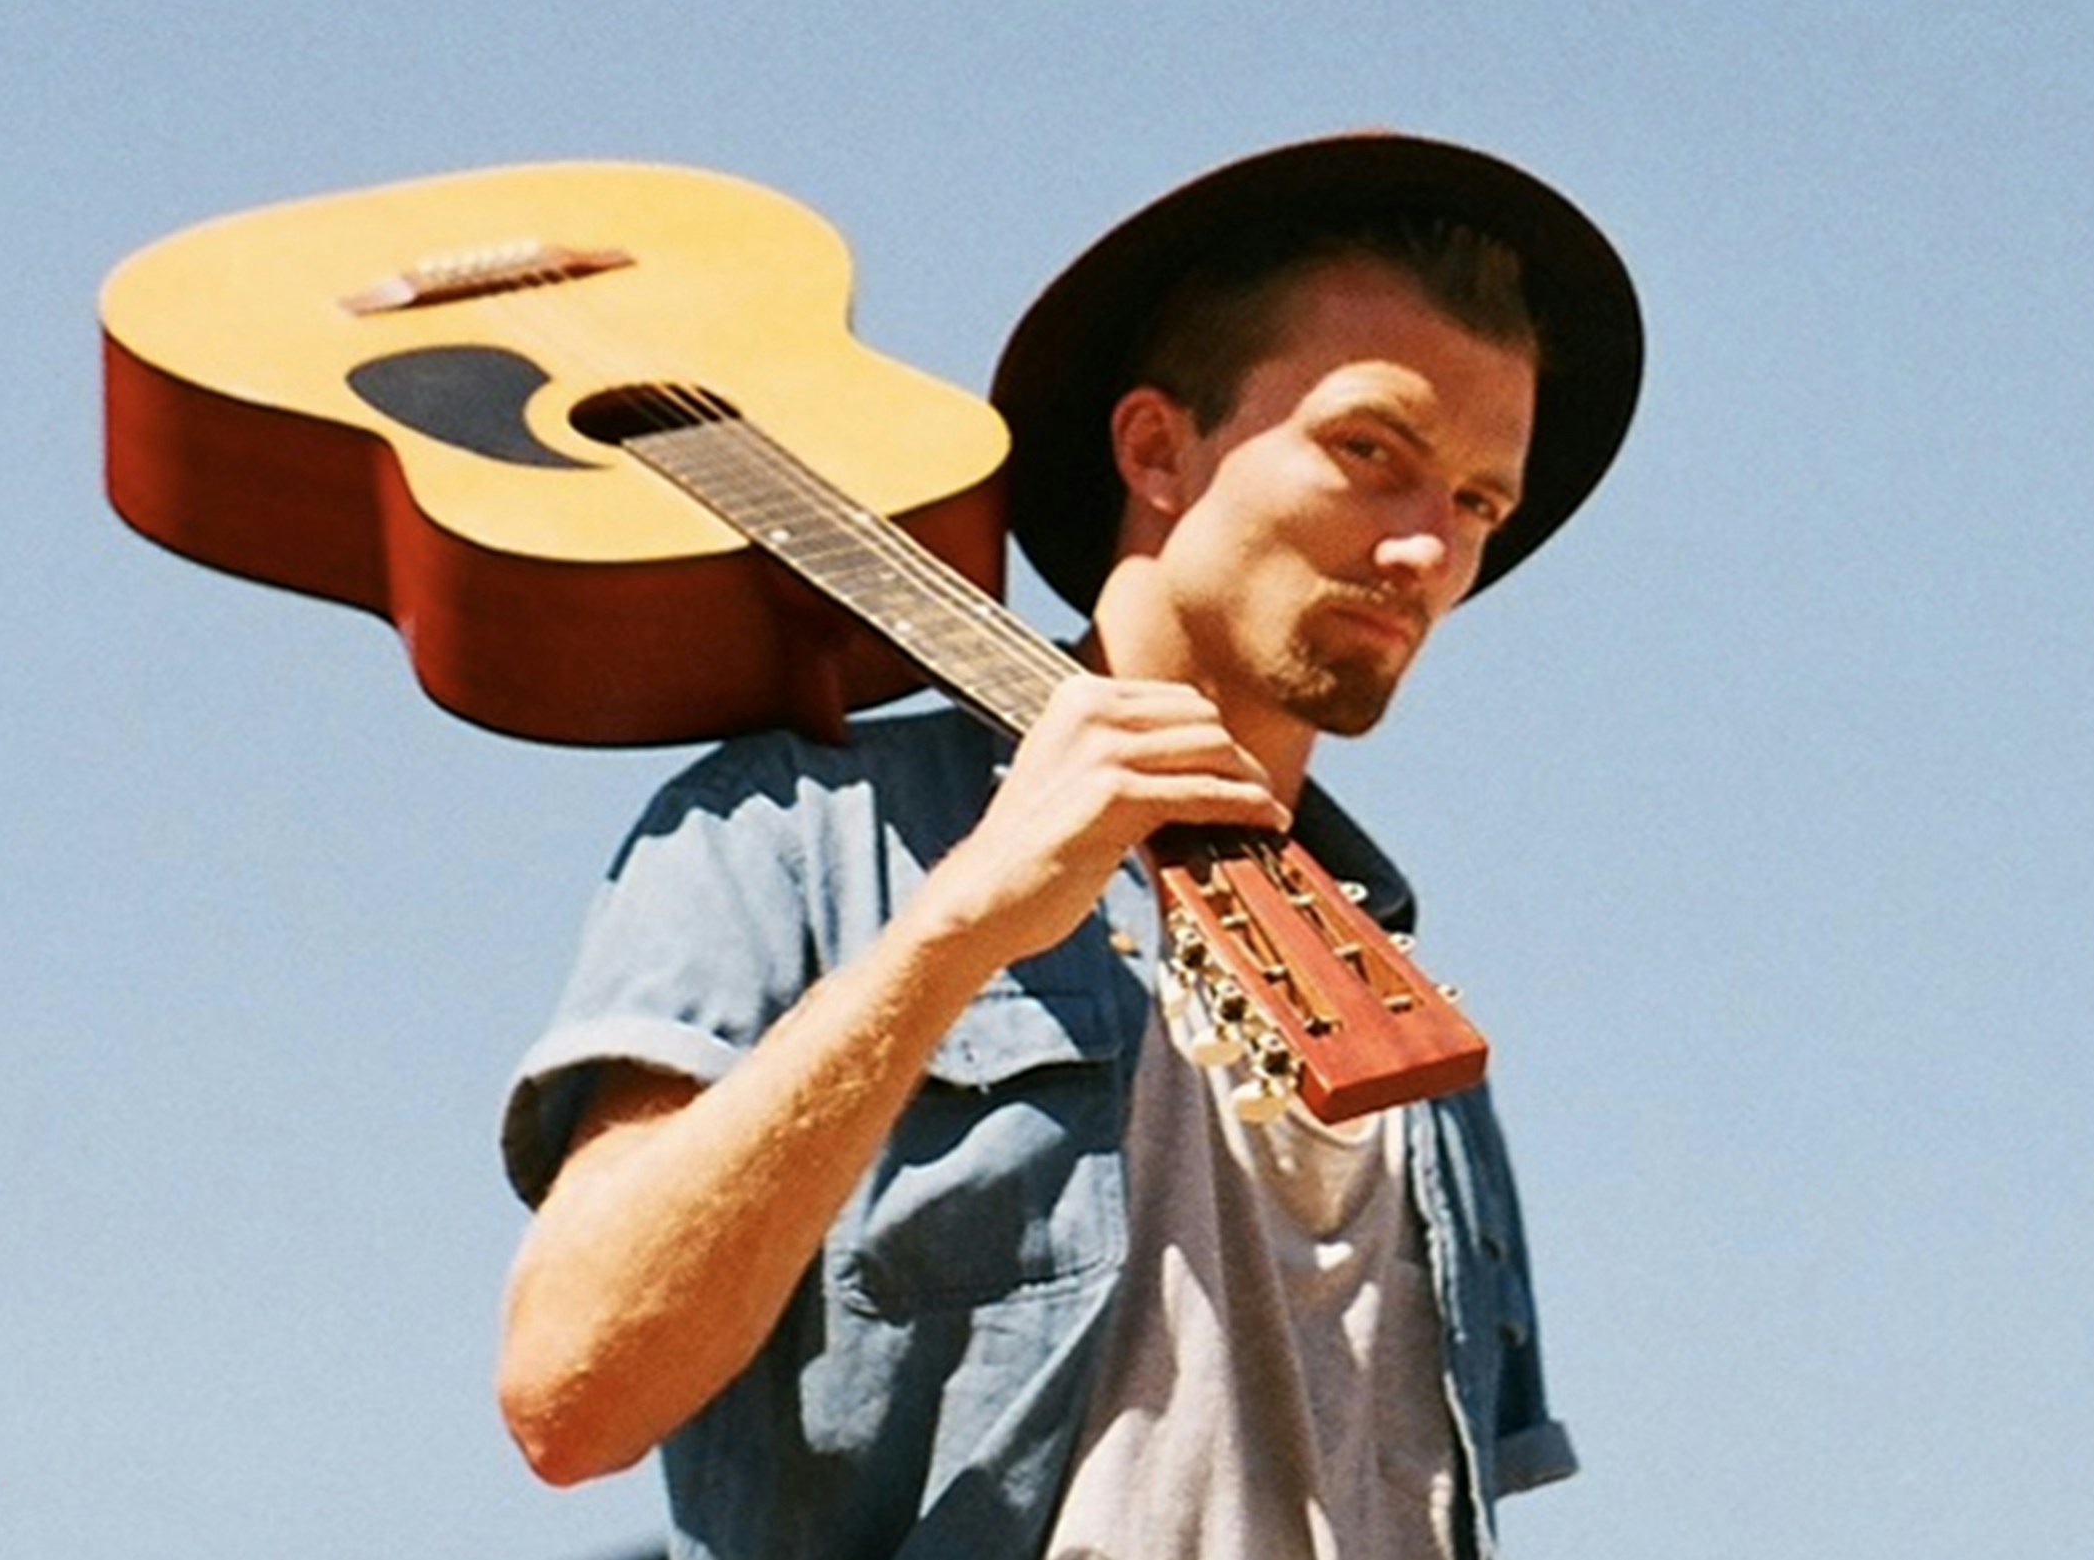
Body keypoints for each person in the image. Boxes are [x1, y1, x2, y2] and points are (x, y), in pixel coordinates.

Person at [495, 134, 1645, 1560]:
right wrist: (955, 927)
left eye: (1478, 501)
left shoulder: (1402, 1008)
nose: (1427, 549)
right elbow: (571, 1390)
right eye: (1372, 453)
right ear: (1158, 447)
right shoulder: (806, 829)